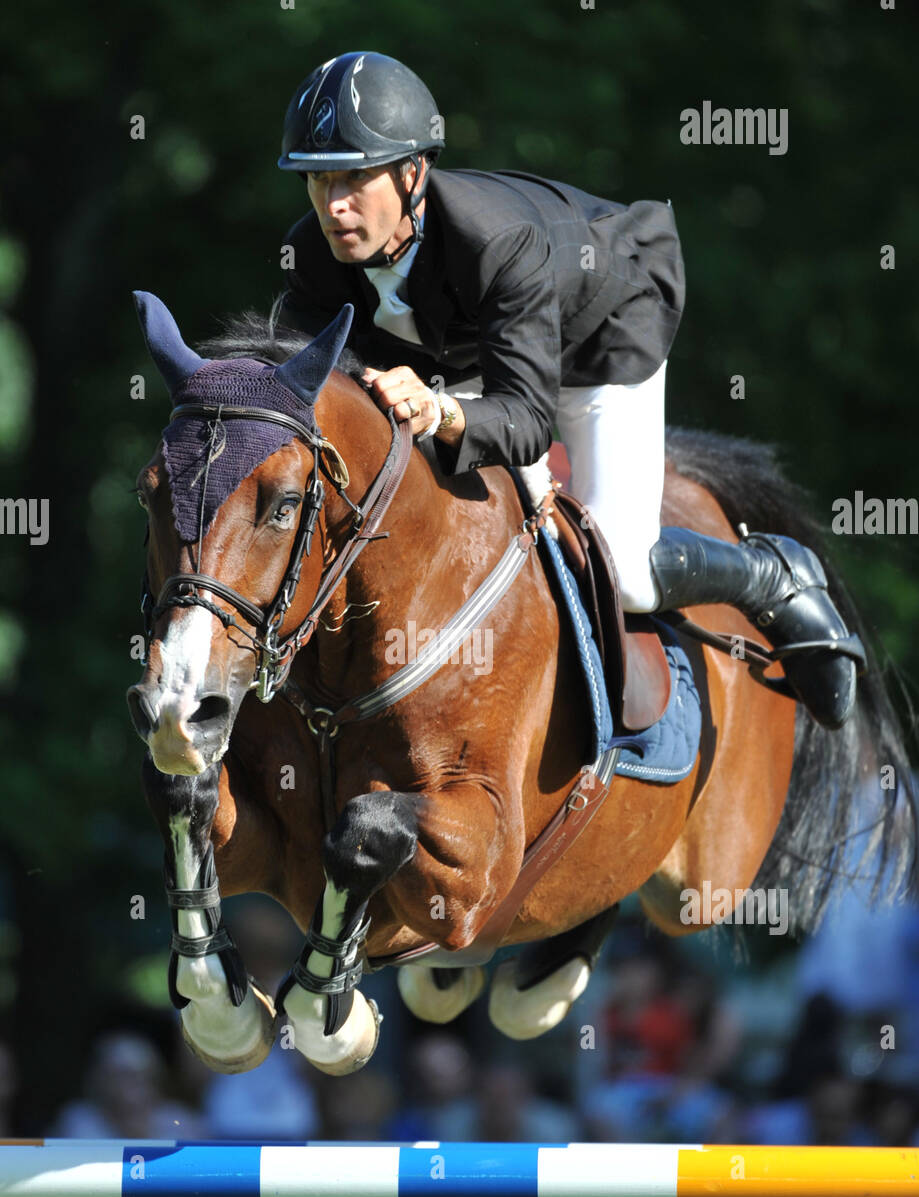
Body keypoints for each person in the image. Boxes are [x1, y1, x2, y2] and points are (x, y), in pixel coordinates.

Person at [275, 51, 863, 728]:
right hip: (475, 356)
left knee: (627, 573)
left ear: (413, 173)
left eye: (353, 178)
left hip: (598, 341)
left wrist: (438, 408)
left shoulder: (495, 240)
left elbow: (525, 421)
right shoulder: (312, 258)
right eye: (316, 181)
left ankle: (769, 575)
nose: (332, 205)